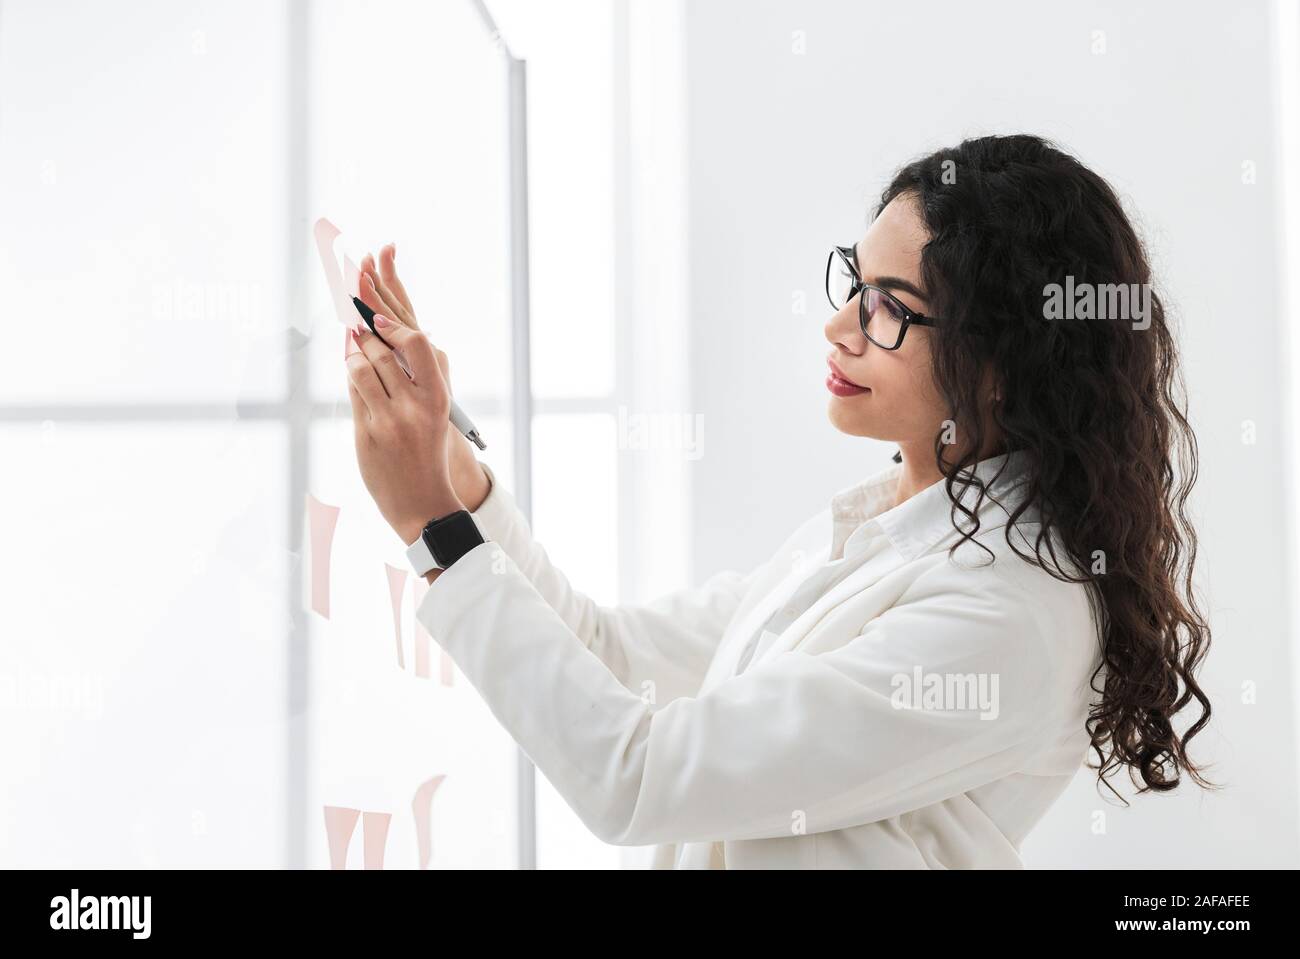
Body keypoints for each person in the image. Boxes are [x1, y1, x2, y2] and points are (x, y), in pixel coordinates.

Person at [341, 133, 1214, 869]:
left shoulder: (1008, 611)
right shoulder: (884, 528)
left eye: (889, 308)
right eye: (853, 282)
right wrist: (457, 481)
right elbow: (614, 657)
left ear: (1001, 365)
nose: (839, 324)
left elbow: (638, 776)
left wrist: (436, 531)